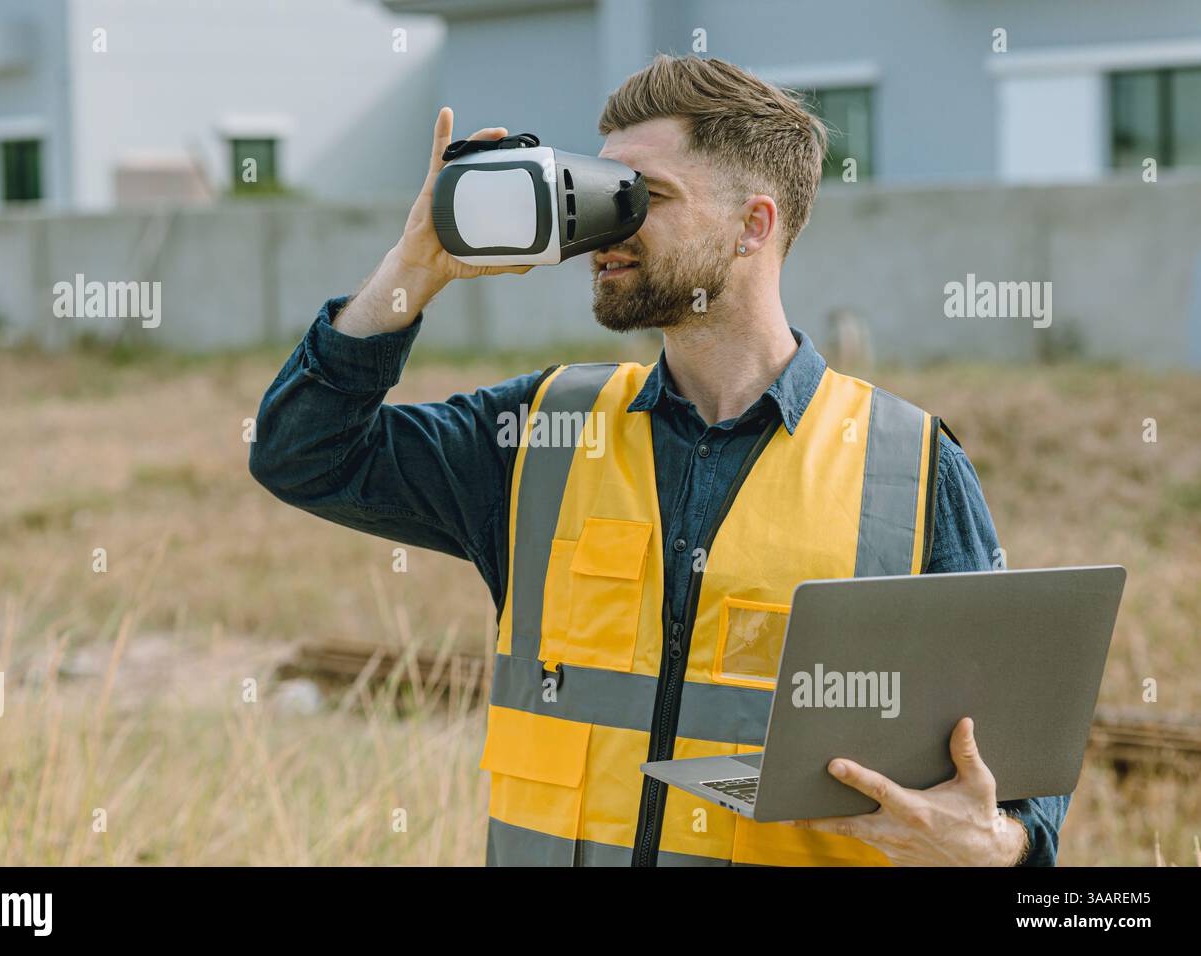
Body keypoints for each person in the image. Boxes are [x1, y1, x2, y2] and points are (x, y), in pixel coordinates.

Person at [249, 54, 1069, 866]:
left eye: (647, 197)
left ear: (755, 225)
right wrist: (412, 272)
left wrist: (1000, 847)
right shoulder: (543, 433)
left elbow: (1013, 772)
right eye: (606, 193)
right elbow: (302, 453)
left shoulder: (907, 467)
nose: (604, 228)